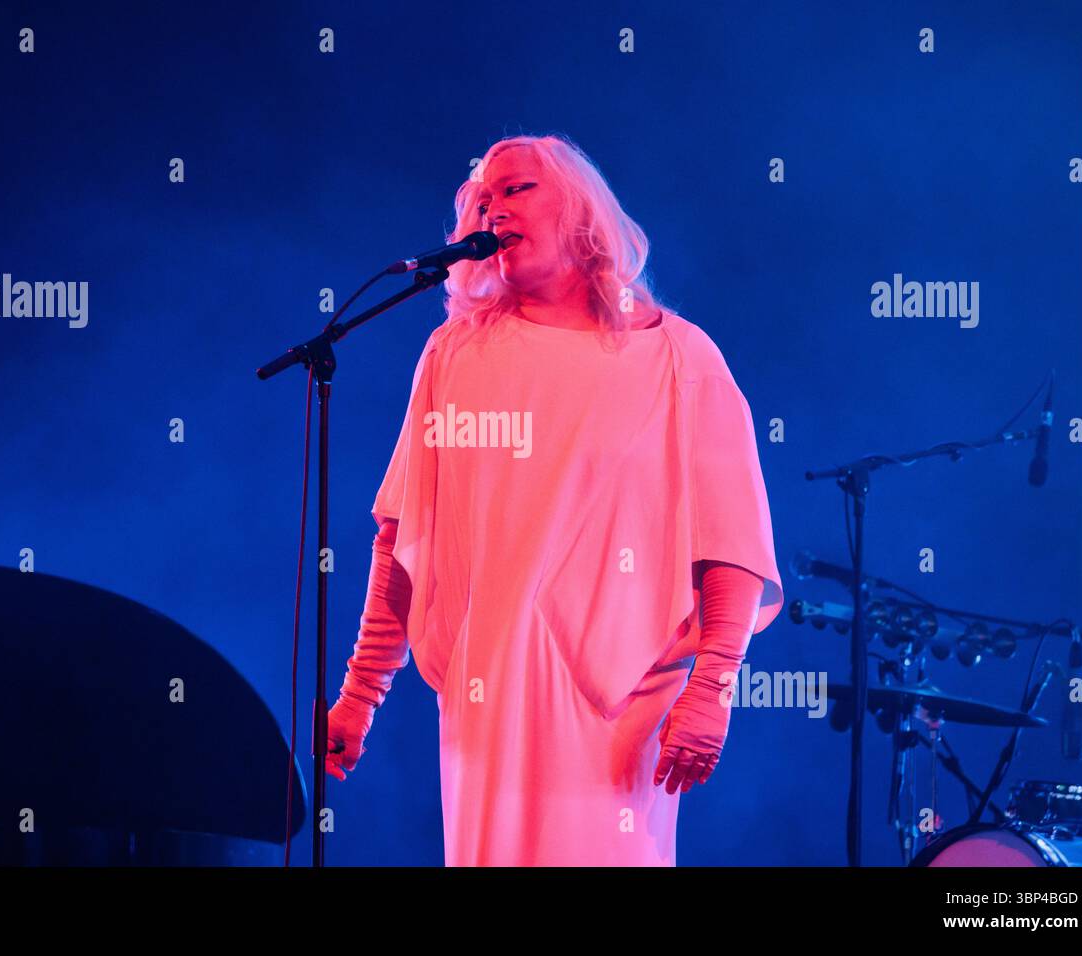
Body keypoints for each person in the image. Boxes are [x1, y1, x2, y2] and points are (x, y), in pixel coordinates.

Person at [326, 133, 783, 866]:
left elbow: (730, 544)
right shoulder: (456, 355)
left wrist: (714, 689)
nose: (493, 207)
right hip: (487, 700)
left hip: (620, 705)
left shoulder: (679, 358)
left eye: (516, 190)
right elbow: (401, 540)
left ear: (579, 210)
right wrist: (360, 694)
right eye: (482, 197)